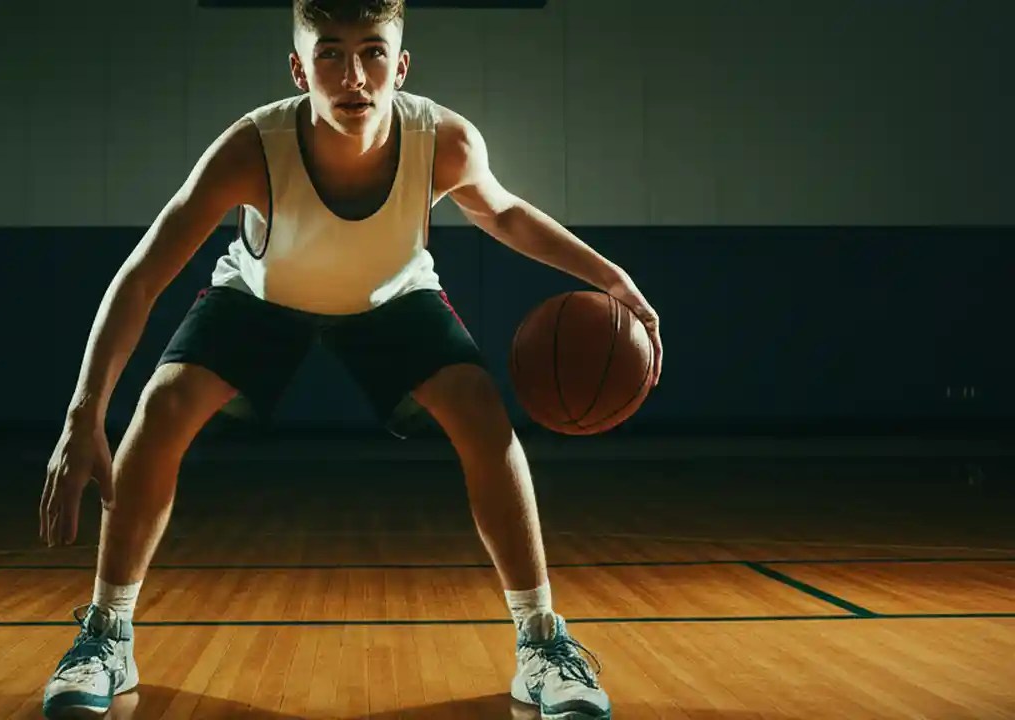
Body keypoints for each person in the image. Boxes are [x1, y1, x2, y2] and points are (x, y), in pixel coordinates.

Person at [38, 1, 662, 717]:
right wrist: (84, 413)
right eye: (330, 53)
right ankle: (108, 635)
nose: (353, 74)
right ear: (300, 69)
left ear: (400, 66)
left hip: (392, 295)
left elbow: (505, 213)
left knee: (482, 416)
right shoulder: (252, 147)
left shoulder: (444, 139)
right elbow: (144, 273)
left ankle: (541, 642)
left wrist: (611, 277)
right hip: (263, 293)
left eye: (372, 52)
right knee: (162, 406)